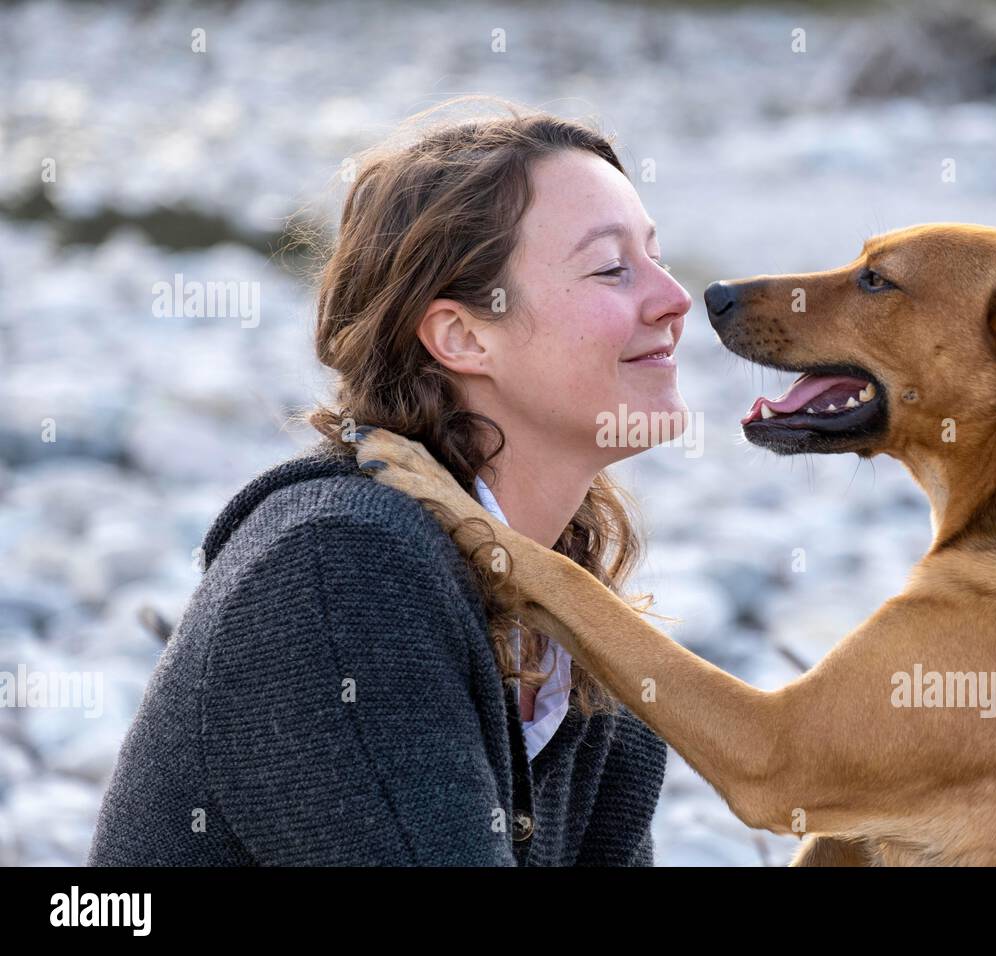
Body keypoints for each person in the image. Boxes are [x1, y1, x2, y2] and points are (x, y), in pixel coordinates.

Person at [86, 99, 693, 865]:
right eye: (612, 268)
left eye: (658, 256)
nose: (674, 300)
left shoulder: (575, 617)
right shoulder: (336, 574)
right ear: (462, 336)